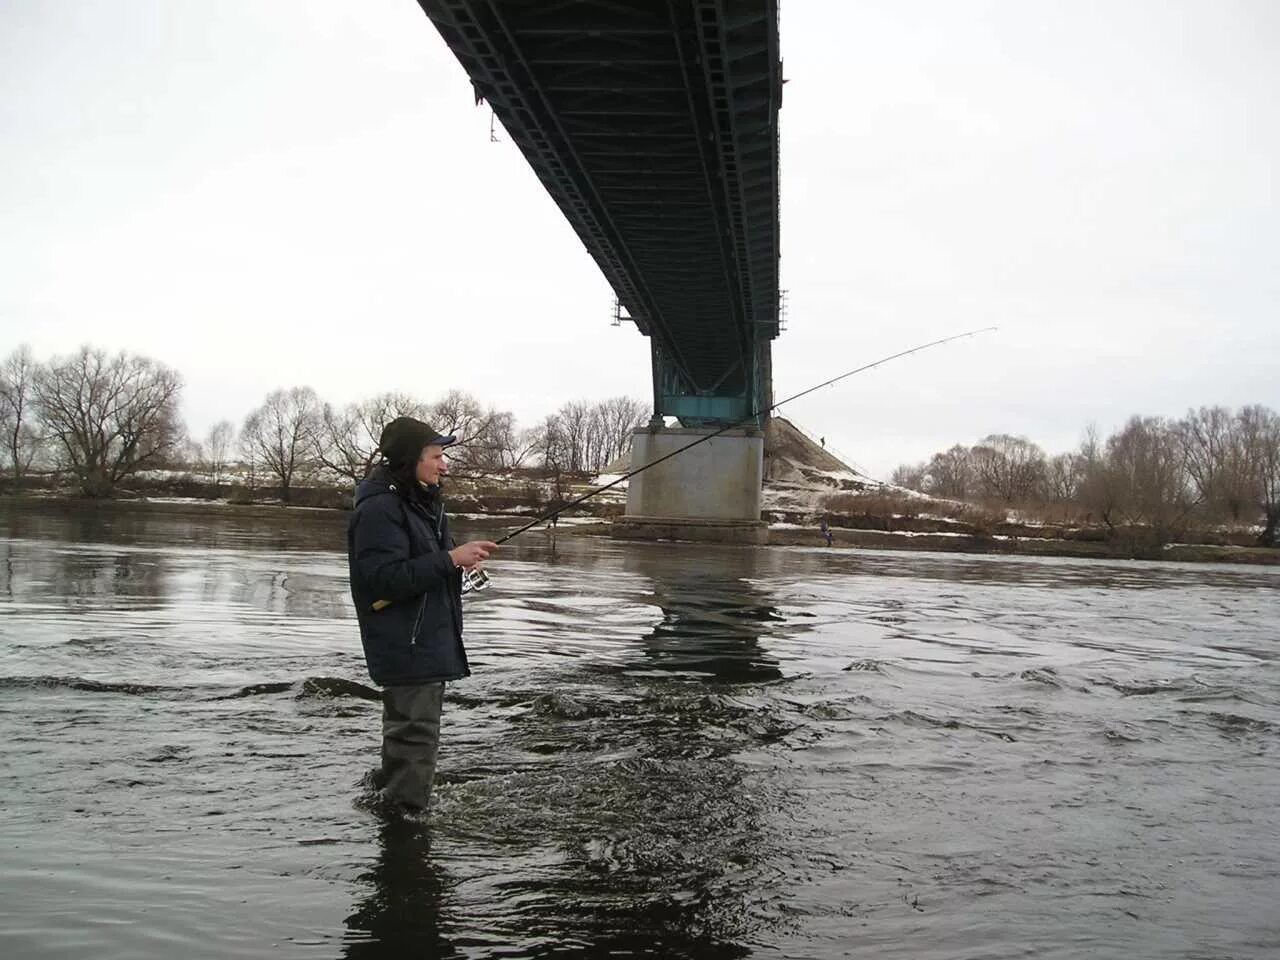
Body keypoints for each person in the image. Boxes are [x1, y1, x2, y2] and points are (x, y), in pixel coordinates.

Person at [346, 416, 498, 811]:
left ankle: (392, 805)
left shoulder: (421, 503)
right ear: (410, 460)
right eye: (436, 456)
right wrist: (450, 559)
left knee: (411, 737)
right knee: (415, 737)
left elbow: (424, 567)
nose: (444, 465)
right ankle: (404, 824)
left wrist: (458, 562)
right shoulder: (381, 509)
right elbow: (383, 580)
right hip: (408, 644)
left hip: (424, 640)